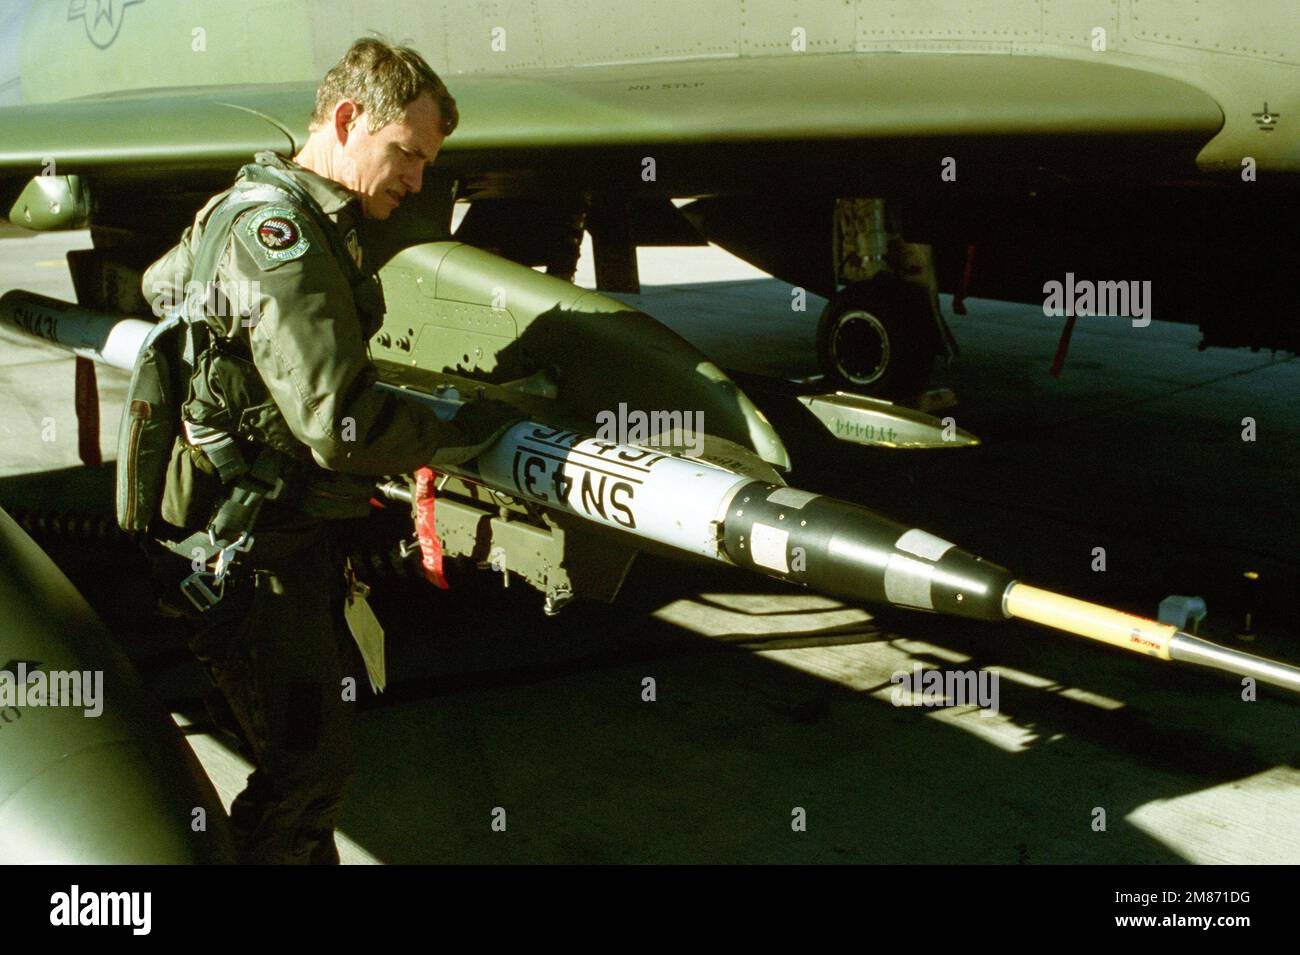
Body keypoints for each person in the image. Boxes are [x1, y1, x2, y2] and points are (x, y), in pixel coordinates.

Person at [141, 37, 519, 863]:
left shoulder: (246, 205)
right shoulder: (285, 237)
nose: (420, 180)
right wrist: (468, 423)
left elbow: (158, 285)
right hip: (255, 556)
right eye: (408, 154)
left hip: (255, 538)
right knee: (309, 770)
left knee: (307, 761)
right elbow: (339, 423)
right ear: (349, 120)